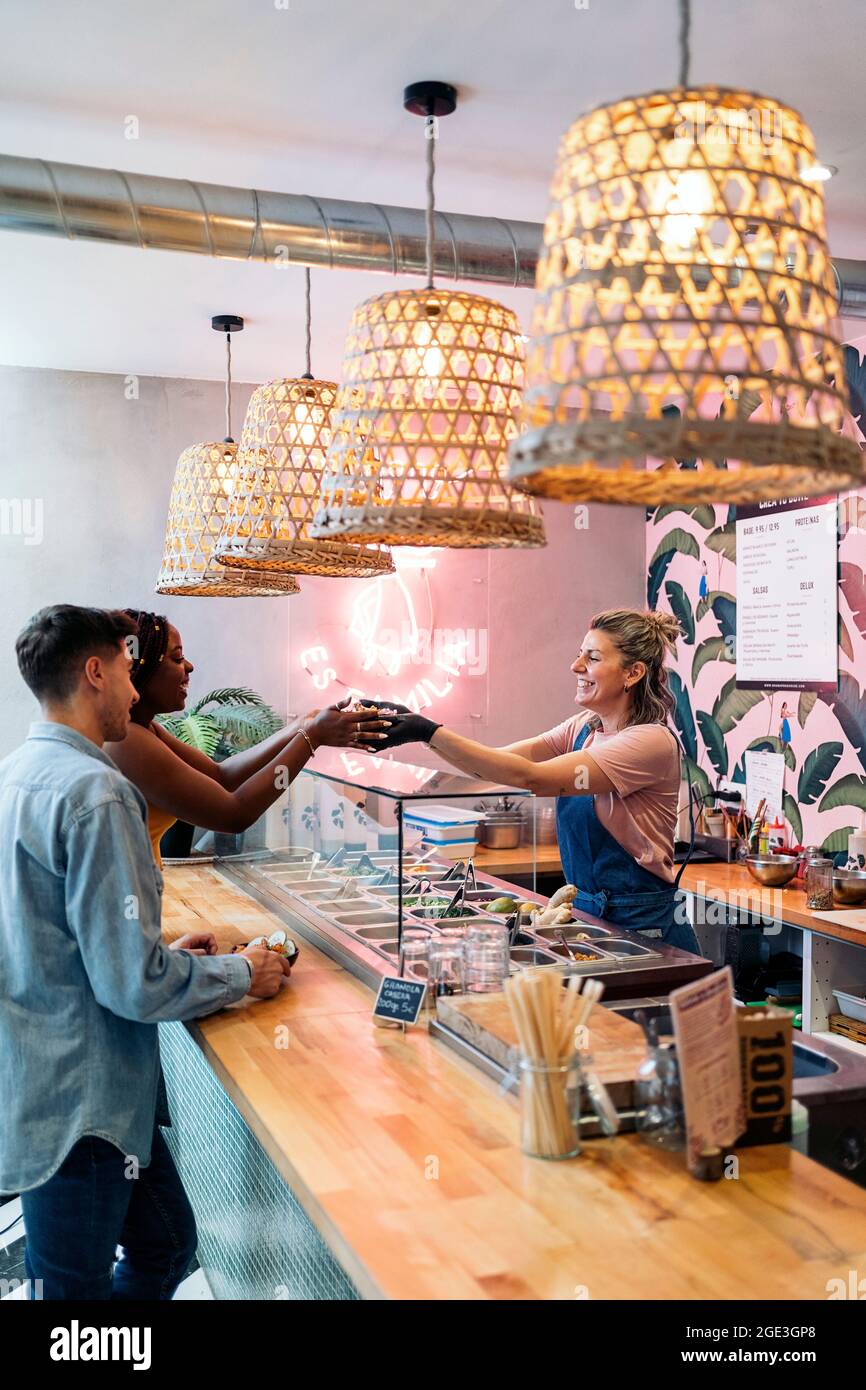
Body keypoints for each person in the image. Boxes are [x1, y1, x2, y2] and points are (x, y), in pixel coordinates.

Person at [0, 604, 292, 1300]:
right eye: (130, 674)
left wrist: (158, 948)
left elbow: (61, 933)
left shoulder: (17, 772)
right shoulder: (97, 793)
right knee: (72, 1298)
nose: (136, 694)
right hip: (82, 1100)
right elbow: (132, 986)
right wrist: (240, 972)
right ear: (95, 673)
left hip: (45, 1078)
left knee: (166, 1243)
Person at [371, 608, 701, 953]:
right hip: (589, 915)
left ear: (632, 673)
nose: (576, 667)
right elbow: (496, 763)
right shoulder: (584, 727)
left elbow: (532, 778)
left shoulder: (649, 742)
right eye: (579, 655)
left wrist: (429, 730)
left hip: (645, 927)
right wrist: (417, 757)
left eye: (593, 658)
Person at [106, 610, 389, 866]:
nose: (189, 667)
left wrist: (303, 724)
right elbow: (234, 815)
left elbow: (222, 775)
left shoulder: (145, 728)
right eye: (177, 657)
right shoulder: (126, 741)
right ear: (139, 669)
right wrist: (311, 738)